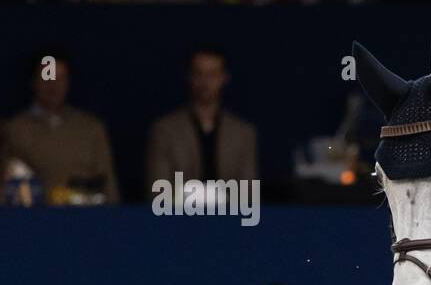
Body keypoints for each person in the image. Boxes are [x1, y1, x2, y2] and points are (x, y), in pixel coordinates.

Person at [3, 52, 119, 204]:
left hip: (86, 220)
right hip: (32, 221)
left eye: (60, 78)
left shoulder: (91, 129)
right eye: (47, 76)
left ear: (69, 82)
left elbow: (109, 190)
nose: (53, 84)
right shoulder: (13, 129)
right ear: (33, 81)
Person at [145, 46, 258, 190]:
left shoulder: (244, 133)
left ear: (224, 78)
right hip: (178, 212)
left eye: (212, 74)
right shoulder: (164, 131)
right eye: (198, 73)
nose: (204, 82)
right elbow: (158, 191)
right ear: (189, 76)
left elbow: (248, 193)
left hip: (232, 211)